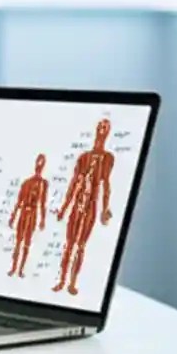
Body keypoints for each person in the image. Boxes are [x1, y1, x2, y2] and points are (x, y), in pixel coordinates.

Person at [53, 119, 116, 296]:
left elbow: (106, 184)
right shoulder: (83, 157)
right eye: (100, 127)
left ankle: (72, 283)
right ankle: (62, 280)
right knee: (69, 244)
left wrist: (105, 208)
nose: (102, 131)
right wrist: (64, 208)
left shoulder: (108, 158)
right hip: (77, 204)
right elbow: (74, 184)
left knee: (80, 245)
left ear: (108, 132)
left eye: (105, 128)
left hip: (91, 206)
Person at [6, 154, 48, 278]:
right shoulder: (26, 183)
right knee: (18, 241)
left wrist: (42, 219)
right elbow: (19, 201)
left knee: (27, 242)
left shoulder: (43, 184)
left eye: (42, 164)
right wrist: (13, 216)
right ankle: (14, 268)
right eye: (38, 163)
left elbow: (43, 203)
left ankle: (21, 269)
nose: (39, 166)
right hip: (24, 212)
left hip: (33, 213)